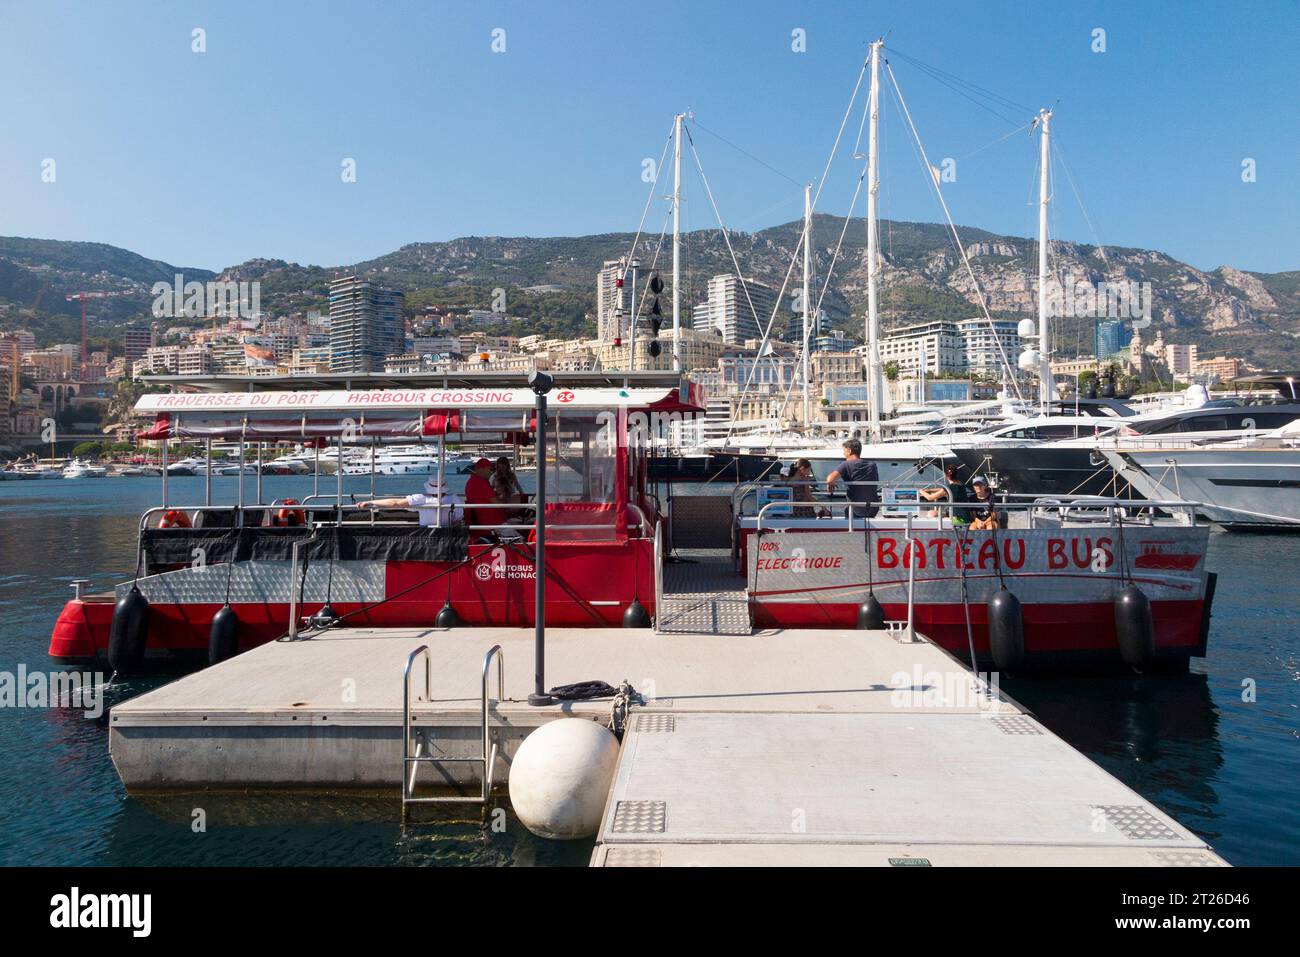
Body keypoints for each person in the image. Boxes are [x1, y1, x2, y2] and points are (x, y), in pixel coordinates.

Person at [360, 476, 463, 527]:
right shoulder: (454, 498)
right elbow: (458, 520)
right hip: (449, 534)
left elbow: (394, 503)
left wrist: (371, 502)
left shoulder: (421, 498)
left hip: (426, 535)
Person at [825, 438, 879, 519]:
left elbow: (830, 479)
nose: (843, 453)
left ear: (849, 451)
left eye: (844, 451)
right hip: (872, 509)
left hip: (855, 509)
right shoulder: (872, 465)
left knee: (848, 510)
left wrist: (830, 485)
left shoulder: (846, 464)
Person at [463, 457, 507, 536]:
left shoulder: (471, 482)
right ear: (481, 469)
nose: (491, 473)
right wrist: (505, 499)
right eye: (489, 469)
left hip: (482, 521)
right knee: (519, 537)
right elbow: (497, 503)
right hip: (493, 522)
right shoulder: (481, 483)